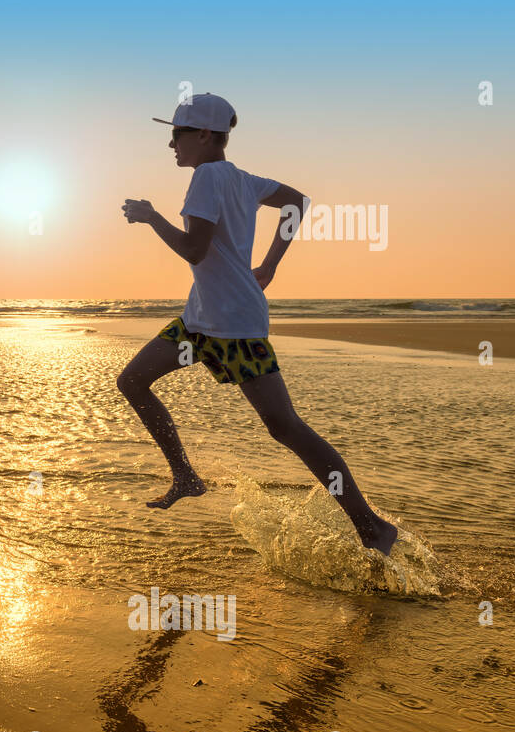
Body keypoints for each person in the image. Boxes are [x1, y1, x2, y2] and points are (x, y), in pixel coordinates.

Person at [118, 93, 398, 556]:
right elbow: (297, 202)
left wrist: (151, 218)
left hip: (233, 328)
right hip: (201, 319)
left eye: (177, 134)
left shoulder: (208, 177)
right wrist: (269, 266)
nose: (171, 144)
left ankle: (370, 526)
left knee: (286, 427)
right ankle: (186, 476)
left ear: (204, 135)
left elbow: (193, 250)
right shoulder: (244, 180)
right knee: (132, 380)